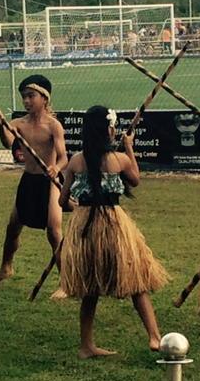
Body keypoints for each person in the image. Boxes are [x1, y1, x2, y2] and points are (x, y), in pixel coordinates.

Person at [57, 105, 168, 357]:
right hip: (114, 225)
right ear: (109, 130)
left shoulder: (76, 160)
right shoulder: (118, 160)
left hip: (84, 227)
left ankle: (86, 345)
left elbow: (62, 202)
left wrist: (80, 207)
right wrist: (129, 147)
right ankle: (154, 336)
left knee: (90, 287)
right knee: (136, 280)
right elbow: (135, 179)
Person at [0, 75, 67, 288]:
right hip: (29, 180)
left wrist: (56, 168)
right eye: (24, 97)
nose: (26, 101)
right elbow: (7, 142)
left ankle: (66, 282)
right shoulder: (19, 124)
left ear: (45, 98)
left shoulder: (53, 126)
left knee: (54, 231)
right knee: (13, 228)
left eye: (31, 96)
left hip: (50, 182)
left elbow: (63, 157)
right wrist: (1, 125)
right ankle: (5, 268)